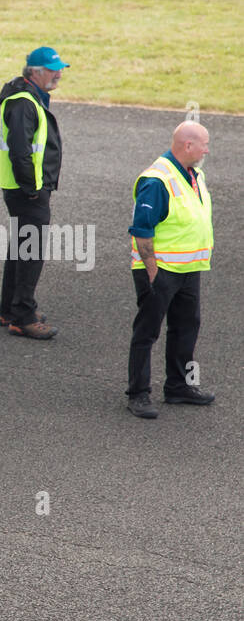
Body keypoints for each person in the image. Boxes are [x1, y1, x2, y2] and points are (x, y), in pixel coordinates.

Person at [125, 121, 214, 419]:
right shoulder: (157, 180)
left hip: (188, 269)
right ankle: (137, 394)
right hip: (160, 270)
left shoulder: (193, 174)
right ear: (187, 146)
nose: (207, 149)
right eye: (204, 144)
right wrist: (151, 270)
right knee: (147, 331)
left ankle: (178, 387)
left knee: (186, 327)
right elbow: (142, 229)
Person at [0, 46, 67, 339]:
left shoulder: (28, 97)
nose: (59, 75)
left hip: (23, 189)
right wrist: (33, 189)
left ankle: (9, 309)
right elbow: (21, 151)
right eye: (53, 70)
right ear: (35, 72)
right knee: (31, 252)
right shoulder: (24, 103)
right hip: (27, 191)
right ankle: (22, 317)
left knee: (21, 247)